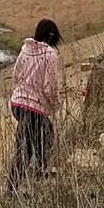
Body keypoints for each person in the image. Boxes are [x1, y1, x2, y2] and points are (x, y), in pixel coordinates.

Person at [6, 18, 63, 193]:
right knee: (27, 147)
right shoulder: (51, 55)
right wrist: (55, 105)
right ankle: (13, 187)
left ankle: (38, 173)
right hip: (35, 107)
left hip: (17, 103)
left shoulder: (25, 49)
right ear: (53, 37)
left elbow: (16, 74)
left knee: (39, 136)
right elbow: (49, 86)